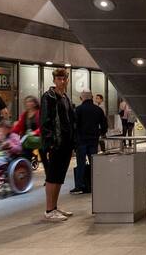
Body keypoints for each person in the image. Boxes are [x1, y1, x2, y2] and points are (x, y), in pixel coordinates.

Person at [39, 68, 75, 221]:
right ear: (54, 80)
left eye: (64, 79)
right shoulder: (48, 97)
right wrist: (50, 142)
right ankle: (49, 209)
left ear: (67, 80)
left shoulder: (65, 97)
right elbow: (45, 120)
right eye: (59, 79)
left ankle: (54, 207)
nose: (62, 81)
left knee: (60, 176)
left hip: (66, 142)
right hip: (55, 142)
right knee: (52, 176)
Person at [71, 90, 106, 194]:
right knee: (94, 163)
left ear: (82, 98)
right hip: (93, 140)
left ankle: (79, 186)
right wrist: (99, 133)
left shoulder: (78, 110)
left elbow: (74, 126)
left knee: (80, 163)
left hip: (81, 141)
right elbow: (104, 125)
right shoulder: (98, 109)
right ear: (91, 97)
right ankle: (96, 184)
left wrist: (74, 139)